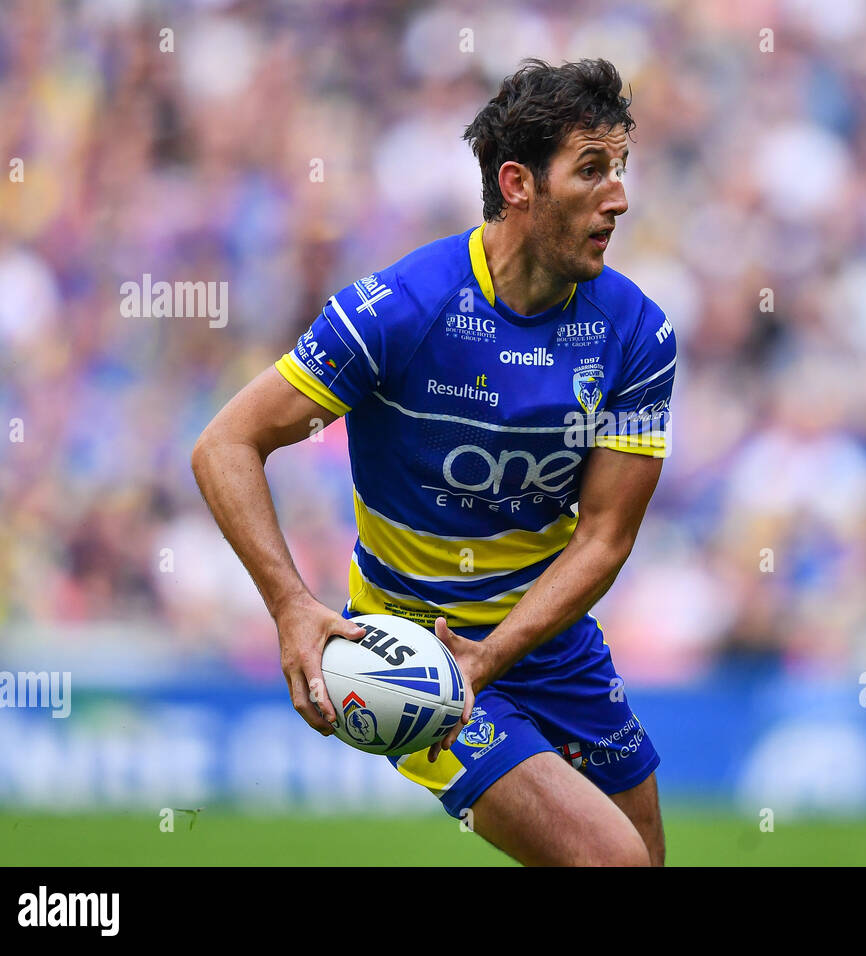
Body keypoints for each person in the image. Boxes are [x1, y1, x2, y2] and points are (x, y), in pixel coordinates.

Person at [191, 58, 675, 866]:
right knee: (611, 863)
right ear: (518, 183)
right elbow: (226, 445)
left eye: (619, 169)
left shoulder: (636, 333)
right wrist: (290, 605)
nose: (618, 197)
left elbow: (604, 539)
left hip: (549, 643)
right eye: (592, 170)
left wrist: (499, 651)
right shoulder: (403, 311)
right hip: (418, 655)